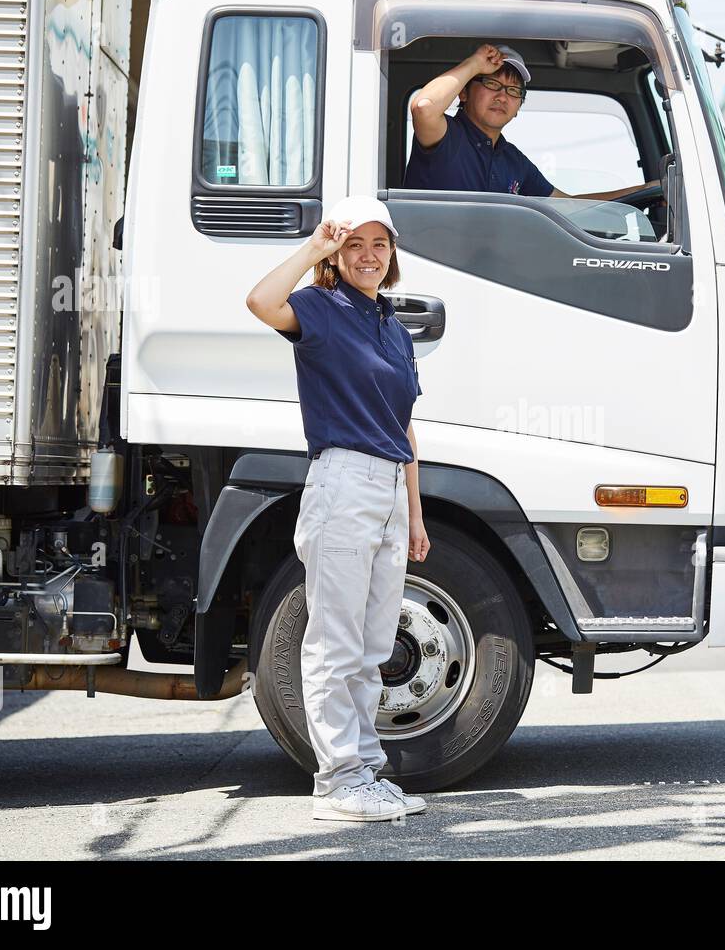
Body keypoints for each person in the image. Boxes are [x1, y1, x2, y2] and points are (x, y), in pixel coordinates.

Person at [245, 195, 430, 823]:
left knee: (375, 644)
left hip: (388, 490)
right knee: (335, 641)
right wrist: (313, 250)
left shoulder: (395, 329)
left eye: (379, 244)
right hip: (343, 481)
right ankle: (338, 782)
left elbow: (404, 428)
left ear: (393, 253)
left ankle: (365, 772)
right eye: (355, 245)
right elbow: (260, 302)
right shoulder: (321, 309)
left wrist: (416, 513)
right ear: (337, 254)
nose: (368, 256)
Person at [403, 43, 663, 201]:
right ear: (464, 92)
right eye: (492, 83)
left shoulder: (513, 161)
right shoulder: (447, 136)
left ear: (518, 108)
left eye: (514, 91)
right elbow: (424, 108)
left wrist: (645, 190)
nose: (502, 96)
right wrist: (474, 64)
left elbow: (569, 207)